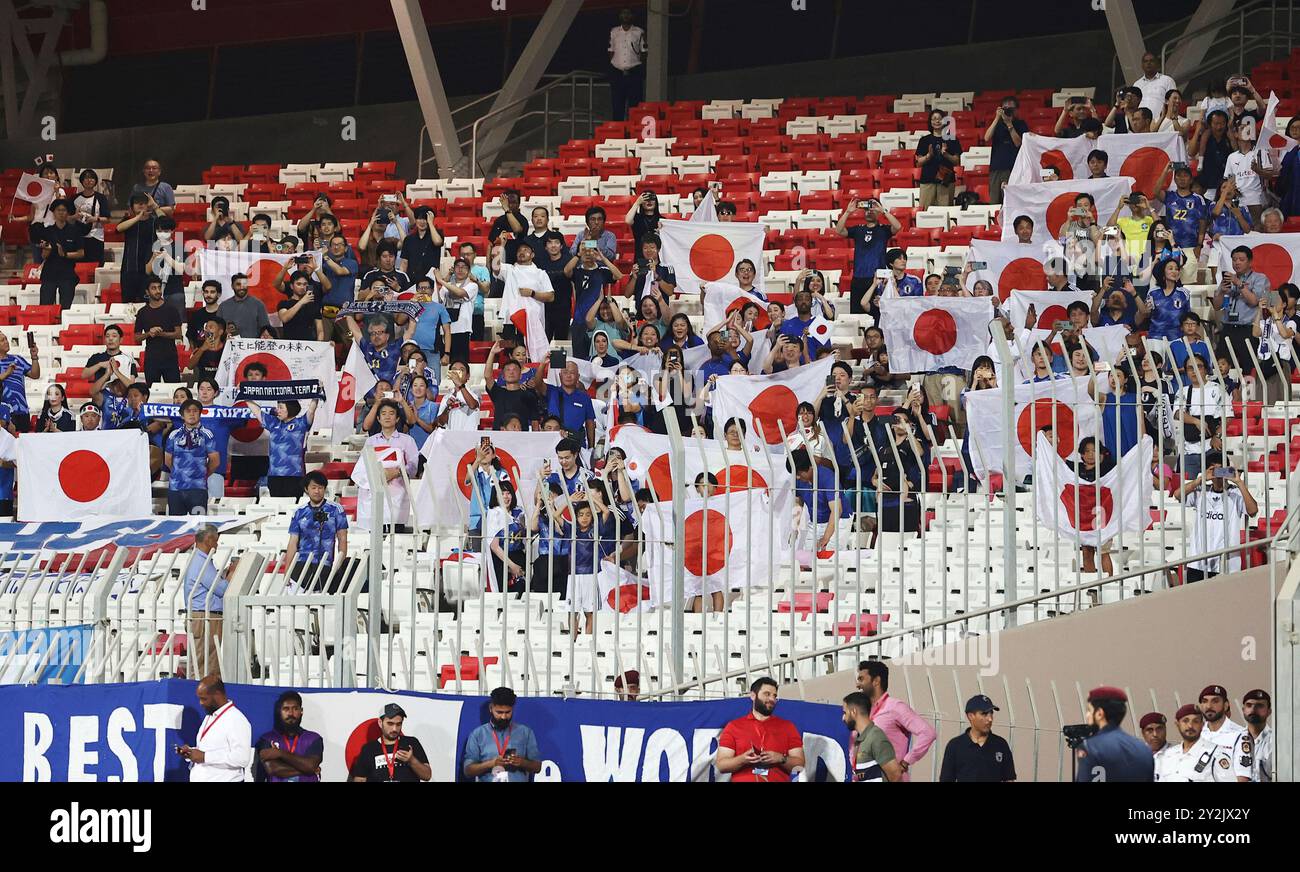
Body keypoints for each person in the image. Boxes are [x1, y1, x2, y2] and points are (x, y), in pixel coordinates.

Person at [1176, 450, 1258, 580]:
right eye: (1213, 469)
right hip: (1198, 561)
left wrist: (1239, 482)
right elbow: (1177, 495)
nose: (1217, 473)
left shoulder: (1236, 494)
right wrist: (1200, 480)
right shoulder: (1201, 492)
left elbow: (1253, 511)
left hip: (1227, 564)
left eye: (1221, 469)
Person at [854, 661, 936, 781]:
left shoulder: (895, 707)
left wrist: (905, 762)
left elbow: (928, 733)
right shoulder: (864, 712)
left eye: (861, 679)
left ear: (876, 681)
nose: (858, 685)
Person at [716, 677, 806, 782]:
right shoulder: (734, 726)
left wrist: (781, 758)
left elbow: (799, 766)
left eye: (774, 696)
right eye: (767, 694)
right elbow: (721, 765)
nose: (772, 699)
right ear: (753, 695)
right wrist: (743, 759)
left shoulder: (788, 727)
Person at [282, 471, 350, 590]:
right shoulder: (299, 512)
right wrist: (287, 572)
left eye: (320, 488)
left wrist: (338, 566)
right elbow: (293, 542)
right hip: (300, 565)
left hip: (325, 565)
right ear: (306, 489)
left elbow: (342, 539)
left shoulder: (336, 509)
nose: (317, 491)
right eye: (313, 487)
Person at [176, 676, 252, 782]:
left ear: (217, 694)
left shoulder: (236, 719)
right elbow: (210, 749)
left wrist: (205, 757)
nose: (201, 703)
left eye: (204, 699)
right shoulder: (210, 716)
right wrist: (191, 752)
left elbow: (242, 758)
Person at [182, 524, 235, 675]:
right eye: (216, 540)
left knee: (208, 664)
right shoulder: (201, 562)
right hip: (205, 617)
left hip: (204, 616)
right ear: (209, 539)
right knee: (203, 665)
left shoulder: (199, 560)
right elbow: (221, 589)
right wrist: (231, 574)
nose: (217, 544)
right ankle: (196, 694)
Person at [835, 197, 901, 314]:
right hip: (858, 279)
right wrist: (847, 212)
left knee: (874, 314)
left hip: (876, 279)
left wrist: (883, 211)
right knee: (857, 314)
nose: (869, 211)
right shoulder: (858, 229)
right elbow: (839, 231)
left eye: (873, 208)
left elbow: (898, 227)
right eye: (867, 209)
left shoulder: (883, 230)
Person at [1074, 685, 1154, 781]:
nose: (1087, 715)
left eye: (1089, 710)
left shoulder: (1090, 747)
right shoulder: (1144, 749)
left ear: (1099, 713)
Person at [463, 687, 542, 782]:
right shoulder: (477, 734)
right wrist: (491, 763)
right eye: (499, 712)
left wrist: (522, 762)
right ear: (491, 708)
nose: (504, 717)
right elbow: (468, 770)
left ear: (512, 709)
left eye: (508, 712)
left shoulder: (526, 733)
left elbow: (537, 767)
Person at [939, 694, 1017, 782]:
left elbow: (1009, 779)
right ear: (970, 716)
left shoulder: (1000, 744)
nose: (990, 719)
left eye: (991, 713)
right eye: (984, 714)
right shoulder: (955, 746)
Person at [350, 703, 432, 782]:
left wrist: (411, 760)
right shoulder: (368, 749)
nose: (394, 729)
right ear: (380, 723)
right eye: (390, 723)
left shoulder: (412, 743)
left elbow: (427, 776)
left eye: (399, 724)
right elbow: (360, 779)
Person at [254, 691, 323, 783]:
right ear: (280, 711)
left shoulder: (314, 738)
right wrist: (308, 770)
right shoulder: (267, 739)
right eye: (286, 709)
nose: (291, 713)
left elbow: (310, 765)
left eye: (295, 709)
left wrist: (280, 753)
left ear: (301, 711)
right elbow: (273, 768)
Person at [1153, 703, 1232, 782]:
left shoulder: (1216, 754)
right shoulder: (1168, 755)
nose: (1190, 726)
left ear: (1202, 725)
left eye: (1196, 721)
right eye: (1185, 721)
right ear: (1177, 724)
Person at [166, 400, 219, 516]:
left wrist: (202, 474)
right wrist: (180, 473)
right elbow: (168, 460)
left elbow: (215, 461)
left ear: (200, 414)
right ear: (182, 415)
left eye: (195, 411)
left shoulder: (207, 434)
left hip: (198, 489)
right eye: (188, 411)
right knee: (176, 528)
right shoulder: (173, 435)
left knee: (199, 526)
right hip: (176, 490)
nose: (192, 414)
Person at [34, 198, 85, 309]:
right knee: (45, 306)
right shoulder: (47, 231)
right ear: (54, 213)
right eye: (58, 210)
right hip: (49, 273)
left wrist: (65, 255)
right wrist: (47, 249)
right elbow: (43, 256)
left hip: (67, 273)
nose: (61, 213)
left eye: (64, 210)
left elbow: (81, 253)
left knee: (66, 308)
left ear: (67, 213)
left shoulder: (75, 231)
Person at [841, 691, 901, 782]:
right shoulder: (860, 739)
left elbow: (895, 776)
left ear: (853, 712)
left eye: (845, 713)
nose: (843, 718)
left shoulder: (876, 737)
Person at [983, 95, 1029, 204]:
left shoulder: (1021, 124)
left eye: (1010, 109)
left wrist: (1009, 124)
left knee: (1011, 202)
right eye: (1005, 109)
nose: (1008, 111)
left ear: (1016, 110)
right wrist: (997, 118)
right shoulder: (997, 124)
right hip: (996, 168)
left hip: (1013, 168)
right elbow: (986, 138)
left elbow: (1018, 143)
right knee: (994, 202)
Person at [915, 109, 961, 208]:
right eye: (934, 119)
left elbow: (956, 161)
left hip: (945, 181)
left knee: (944, 212)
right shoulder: (924, 140)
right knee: (925, 212)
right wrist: (928, 156)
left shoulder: (952, 139)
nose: (937, 121)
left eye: (940, 119)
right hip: (927, 180)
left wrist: (946, 154)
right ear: (930, 122)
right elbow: (918, 162)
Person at [607, 6, 646, 120]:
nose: (626, 16)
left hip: (634, 72)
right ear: (620, 16)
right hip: (617, 72)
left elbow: (644, 51)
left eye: (628, 13)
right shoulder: (614, 32)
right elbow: (610, 51)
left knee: (635, 104)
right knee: (617, 104)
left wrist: (636, 64)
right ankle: (618, 133)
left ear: (632, 16)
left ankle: (633, 131)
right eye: (623, 13)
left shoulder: (639, 32)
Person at [1231, 689, 1273, 782]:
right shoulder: (1234, 739)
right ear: (1243, 710)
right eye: (1249, 705)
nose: (1253, 709)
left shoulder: (1276, 741)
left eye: (1259, 706)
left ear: (1269, 711)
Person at [218, 272, 271, 340]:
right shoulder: (223, 306)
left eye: (244, 284)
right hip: (230, 347)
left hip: (253, 347)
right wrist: (225, 336)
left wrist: (265, 335)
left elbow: (265, 329)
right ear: (232, 286)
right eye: (238, 284)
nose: (241, 287)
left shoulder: (258, 304)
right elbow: (218, 330)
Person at [1197, 683, 1246, 750]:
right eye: (1205, 701)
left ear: (1225, 705)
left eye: (1215, 701)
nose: (1209, 706)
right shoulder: (1197, 733)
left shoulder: (1240, 734)